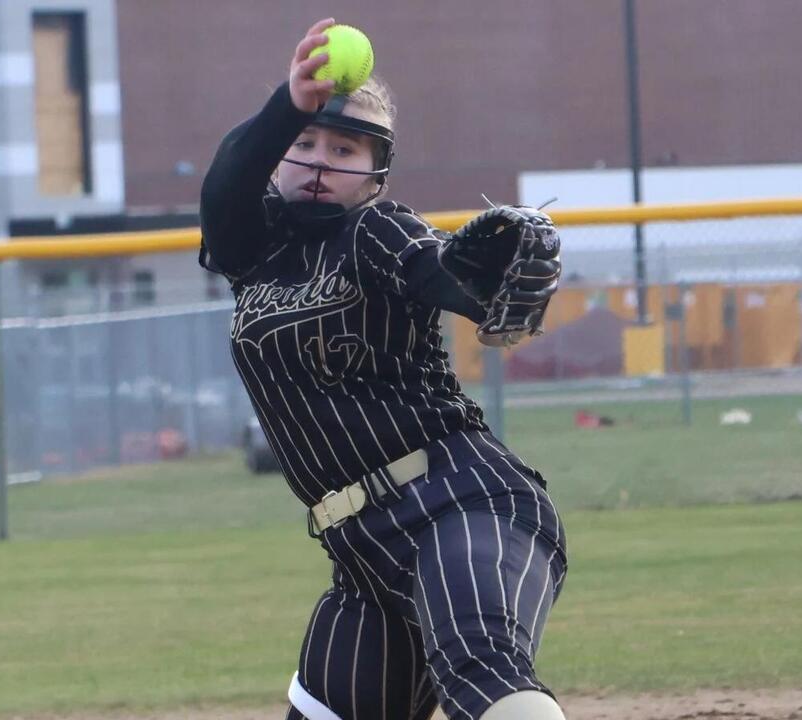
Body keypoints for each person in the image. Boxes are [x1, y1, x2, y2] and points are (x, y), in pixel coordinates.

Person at [199, 18, 567, 720]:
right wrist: (290, 103)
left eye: (345, 148)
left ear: (375, 173)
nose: (318, 159)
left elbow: (439, 274)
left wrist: (479, 282)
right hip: (361, 557)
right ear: (276, 155)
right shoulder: (251, 256)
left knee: (482, 670)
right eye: (304, 143)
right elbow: (223, 188)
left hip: (462, 503)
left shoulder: (376, 229)